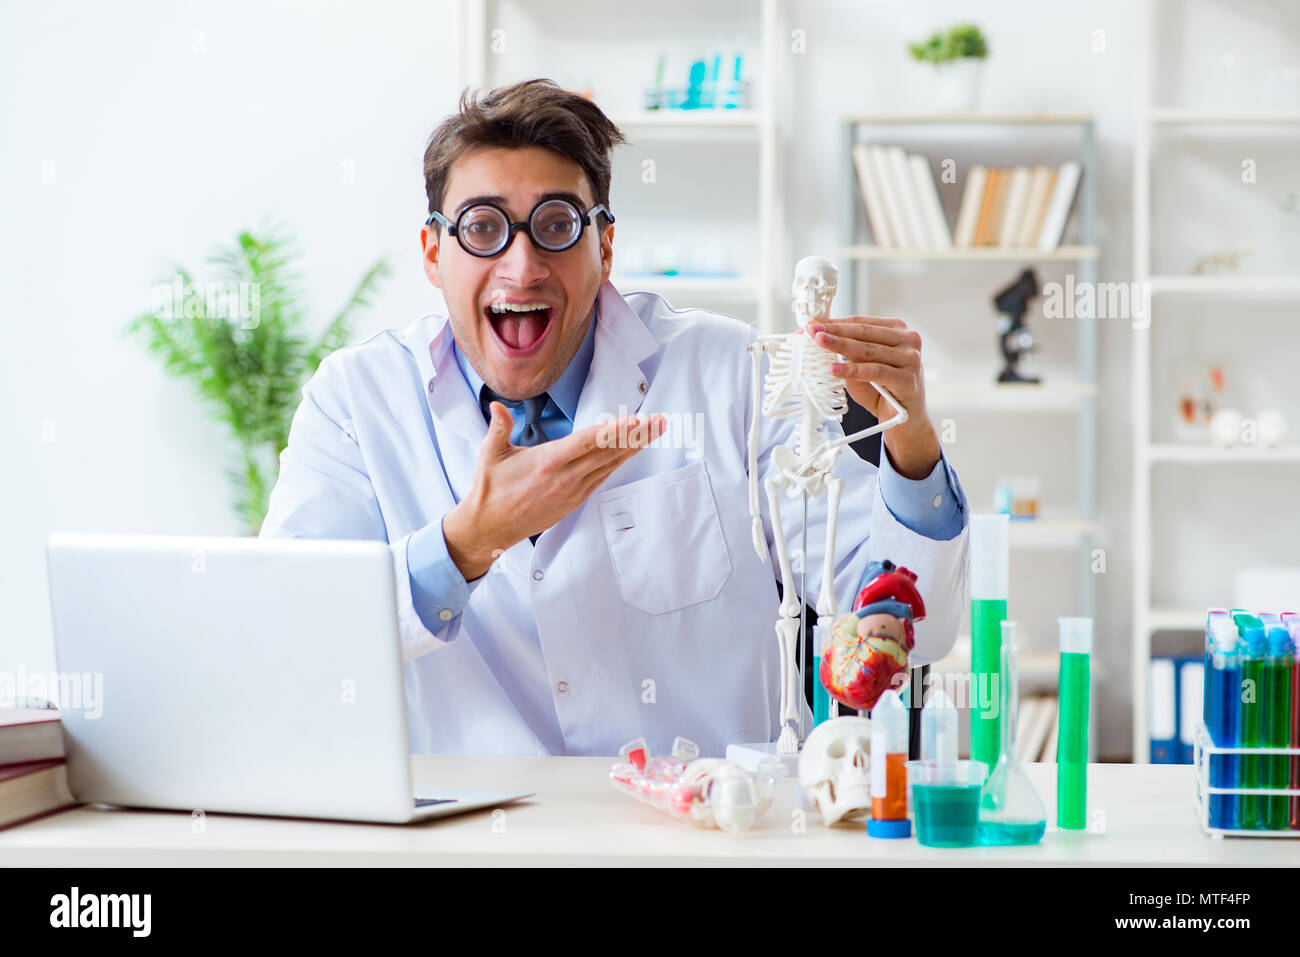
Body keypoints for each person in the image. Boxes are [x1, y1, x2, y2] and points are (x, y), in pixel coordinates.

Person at [260, 78, 970, 757]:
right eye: (482, 228)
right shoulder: (355, 401)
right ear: (432, 253)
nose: (522, 263)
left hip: (702, 827)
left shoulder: (732, 374)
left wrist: (910, 447)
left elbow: (906, 621)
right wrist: (465, 545)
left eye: (557, 224)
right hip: (464, 836)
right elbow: (293, 630)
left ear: (604, 246)